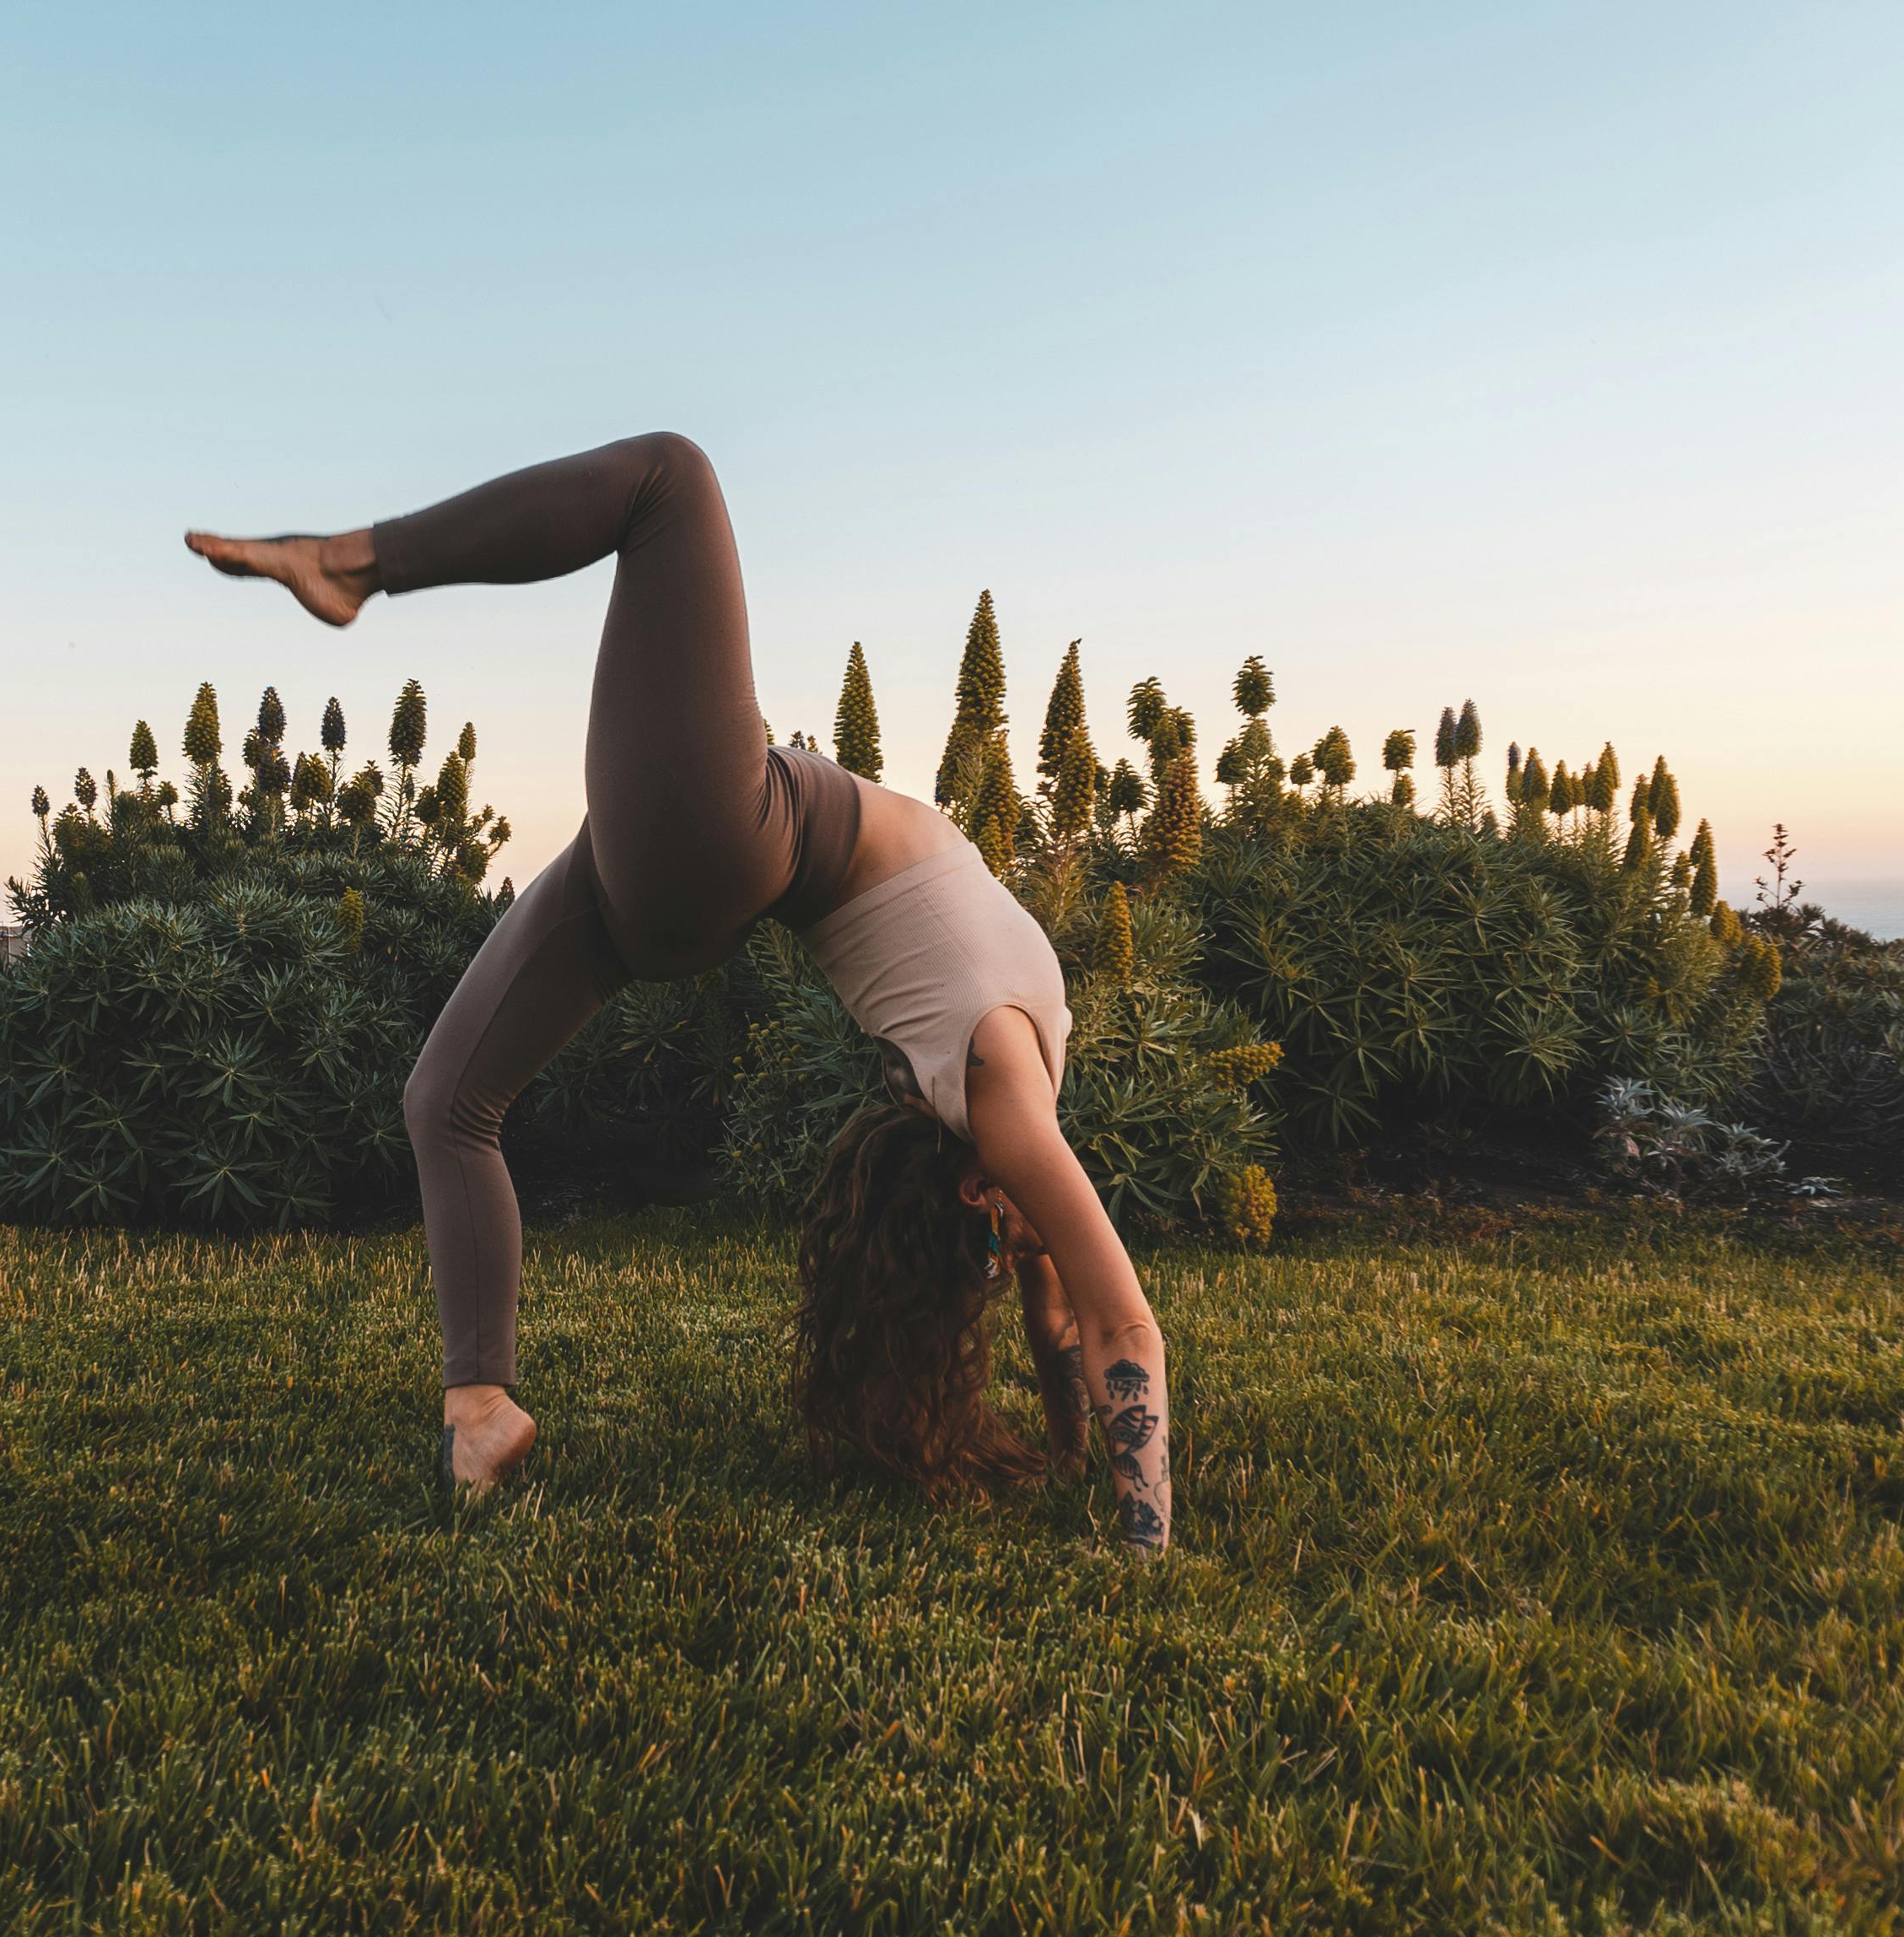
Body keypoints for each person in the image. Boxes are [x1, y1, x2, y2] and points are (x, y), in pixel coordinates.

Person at [186, 434, 1173, 1552]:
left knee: (670, 479)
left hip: (735, 838)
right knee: (446, 1104)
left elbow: (1117, 1317)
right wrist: (1067, 1457)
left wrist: (1145, 1544)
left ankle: (350, 563)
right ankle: (479, 1410)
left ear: (970, 1193)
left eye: (1011, 1226)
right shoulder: (1003, 1118)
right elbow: (1062, 1319)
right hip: (682, 862)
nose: (1033, 1228)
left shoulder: (998, 1087)